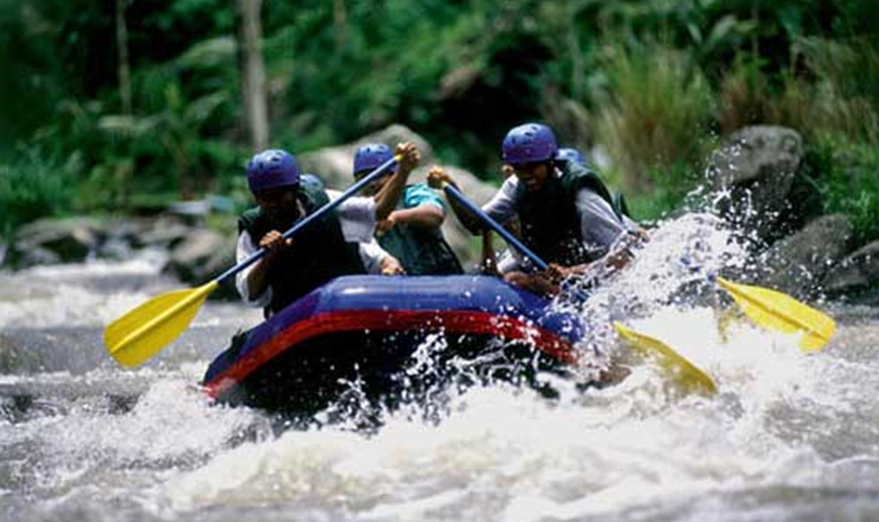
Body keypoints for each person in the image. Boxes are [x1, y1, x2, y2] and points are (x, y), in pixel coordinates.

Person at [429, 123, 642, 296]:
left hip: (596, 273)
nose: (526, 175)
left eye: (532, 167)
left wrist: (571, 272)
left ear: (550, 162)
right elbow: (477, 224)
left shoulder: (581, 195)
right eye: (519, 168)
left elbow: (621, 259)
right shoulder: (516, 185)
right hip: (555, 270)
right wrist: (450, 188)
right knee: (512, 278)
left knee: (519, 280)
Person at [236, 147, 418, 318]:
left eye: (279, 195)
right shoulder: (253, 227)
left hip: (344, 304)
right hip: (292, 315)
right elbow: (250, 294)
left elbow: (378, 212)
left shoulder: (327, 203)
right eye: (264, 197)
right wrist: (267, 259)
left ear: (294, 188)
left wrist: (403, 171)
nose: (273, 203)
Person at [352, 143, 463, 275]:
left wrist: (396, 217)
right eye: (364, 177)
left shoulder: (412, 193)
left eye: (378, 175)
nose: (371, 183)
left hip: (435, 277)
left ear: (393, 175)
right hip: (388, 282)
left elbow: (435, 214)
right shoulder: (356, 209)